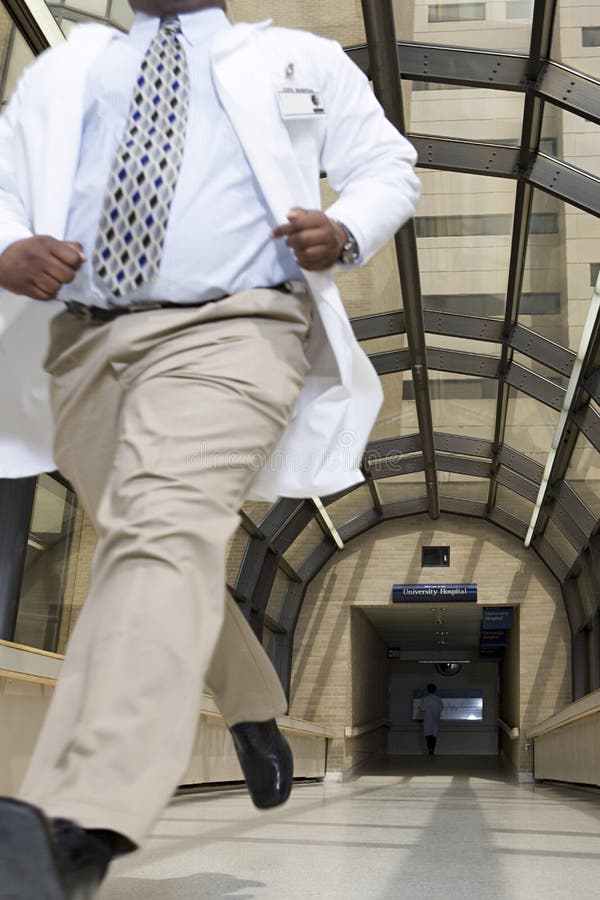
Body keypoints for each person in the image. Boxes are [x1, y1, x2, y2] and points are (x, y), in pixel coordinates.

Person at [0, 1, 420, 897]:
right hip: (83, 345)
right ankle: (256, 703)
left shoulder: (299, 58)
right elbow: (6, 179)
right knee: (150, 543)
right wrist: (8, 245)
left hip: (238, 328)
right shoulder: (71, 69)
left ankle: (73, 822)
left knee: (161, 529)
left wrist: (346, 229)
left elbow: (388, 165)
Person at [421, 683, 444, 755]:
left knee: (428, 735)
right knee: (434, 736)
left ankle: (430, 749)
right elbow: (441, 708)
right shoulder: (438, 699)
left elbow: (422, 708)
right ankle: (432, 750)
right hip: (435, 720)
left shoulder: (425, 699)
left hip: (427, 720)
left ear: (428, 690)